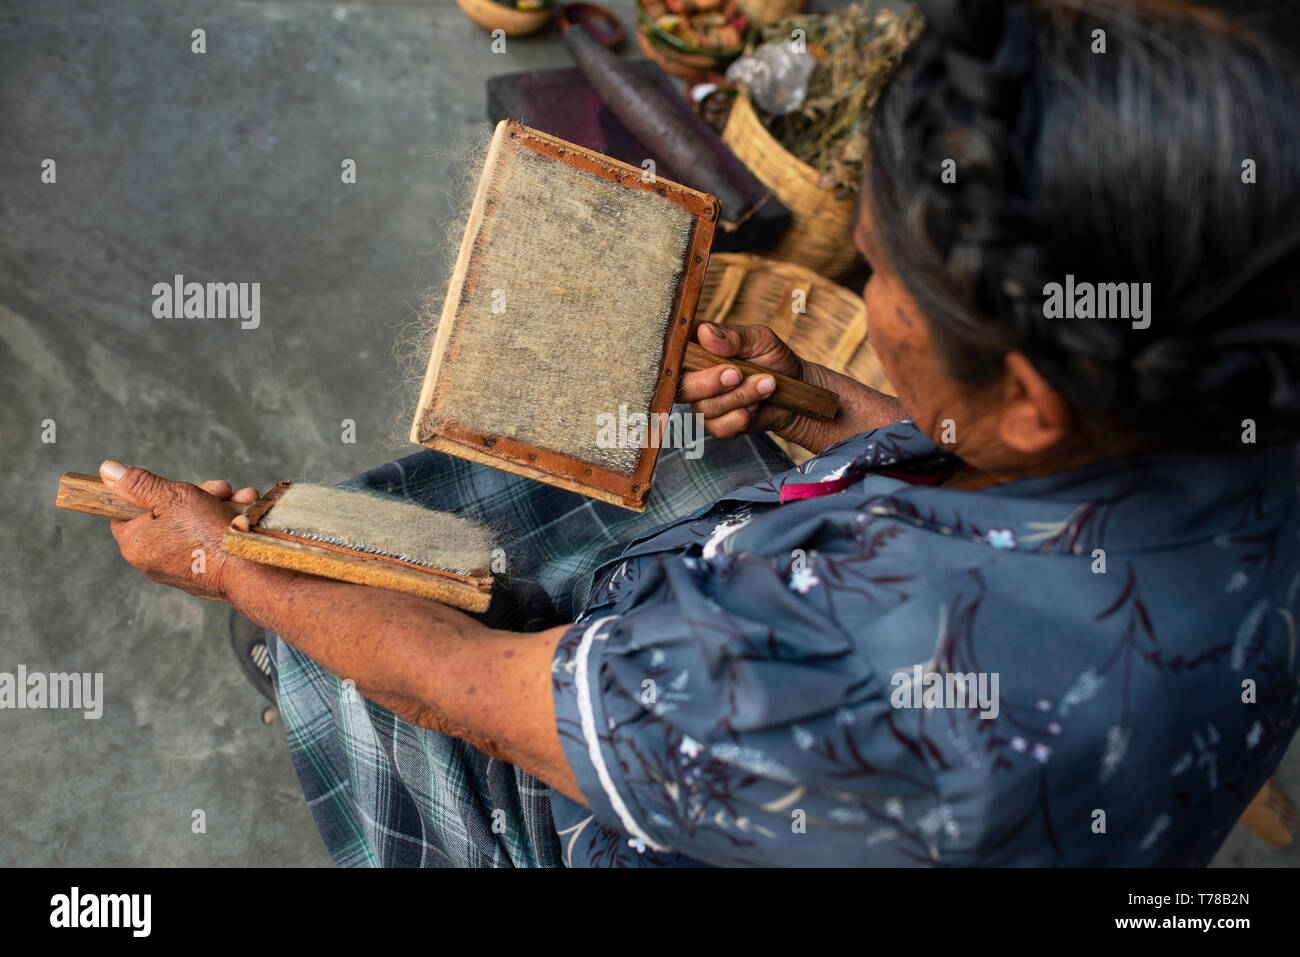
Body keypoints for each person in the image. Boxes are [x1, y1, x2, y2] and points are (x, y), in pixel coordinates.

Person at [101, 0, 1300, 866]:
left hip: (750, 792)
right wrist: (844, 415)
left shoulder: (843, 677)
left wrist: (223, 562)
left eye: (884, 279)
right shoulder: (1249, 406)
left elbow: (464, 690)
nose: (869, 315)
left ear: (1034, 398)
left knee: (332, 628)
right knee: (684, 440)